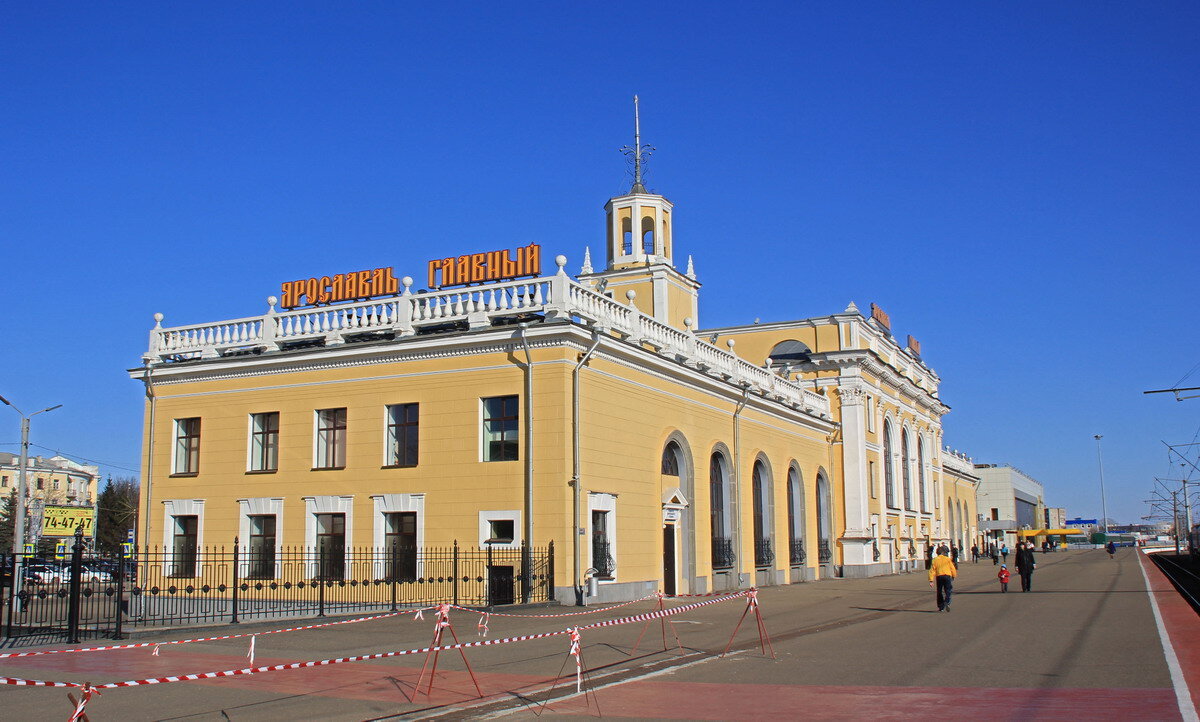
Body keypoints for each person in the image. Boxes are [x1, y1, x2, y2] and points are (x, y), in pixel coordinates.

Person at [928, 545, 957, 612]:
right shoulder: (947, 559)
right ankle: (947, 601)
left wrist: (931, 580)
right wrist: (954, 575)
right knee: (948, 590)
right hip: (947, 576)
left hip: (939, 576)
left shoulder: (935, 560)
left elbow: (932, 570)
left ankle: (941, 607)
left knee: (939, 591)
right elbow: (952, 568)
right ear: (943, 553)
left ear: (937, 553)